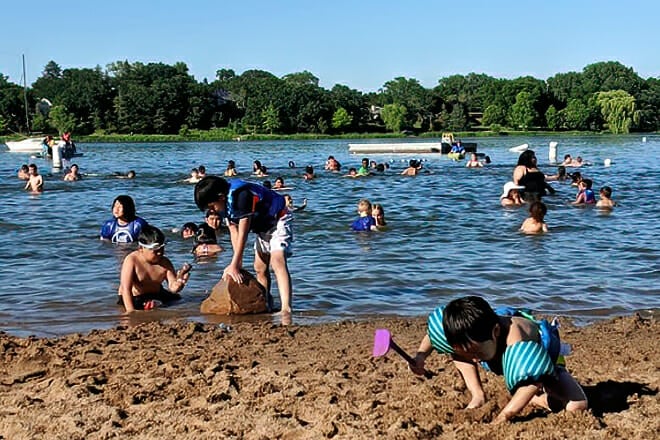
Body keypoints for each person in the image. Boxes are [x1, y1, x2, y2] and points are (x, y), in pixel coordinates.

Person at [410, 296, 587, 424]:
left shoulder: (516, 338)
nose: (472, 359)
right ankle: (478, 396)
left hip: (540, 360)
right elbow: (433, 336)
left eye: (475, 352)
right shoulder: (473, 334)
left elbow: (532, 382)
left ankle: (538, 400)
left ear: (495, 331)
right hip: (499, 355)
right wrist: (420, 356)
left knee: (577, 405)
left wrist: (503, 417)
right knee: (457, 349)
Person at [194, 176, 293, 319]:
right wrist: (237, 263)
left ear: (221, 197)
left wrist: (234, 264)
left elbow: (243, 233)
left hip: (279, 218)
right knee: (260, 267)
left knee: (277, 261)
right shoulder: (223, 206)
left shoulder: (241, 196)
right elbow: (234, 231)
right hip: (263, 226)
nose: (212, 211)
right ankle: (265, 303)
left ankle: (286, 309)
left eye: (211, 206)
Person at [117, 224, 190, 313]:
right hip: (135, 297)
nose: (160, 253)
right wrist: (130, 311)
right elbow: (126, 289)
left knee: (178, 300)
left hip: (156, 293)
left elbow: (172, 288)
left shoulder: (164, 262)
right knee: (143, 306)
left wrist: (179, 283)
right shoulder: (132, 260)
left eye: (162, 249)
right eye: (155, 251)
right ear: (141, 248)